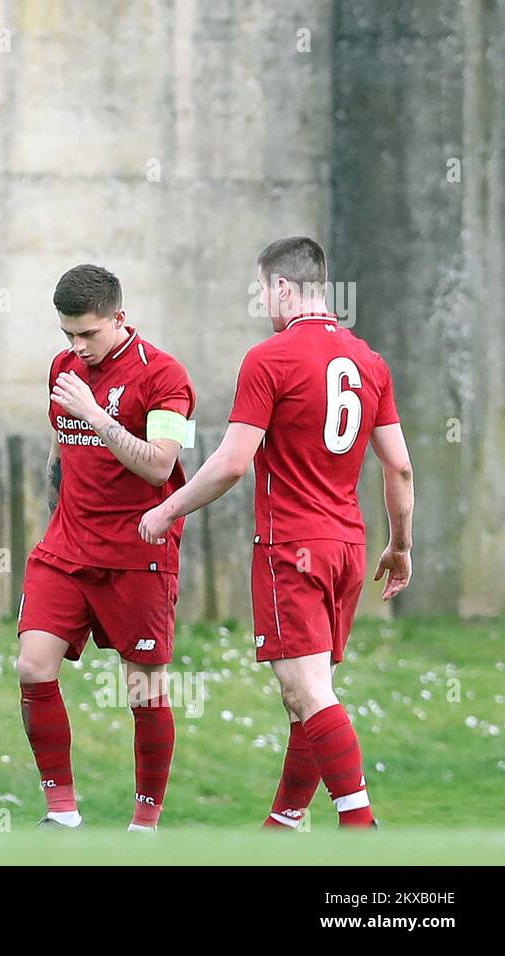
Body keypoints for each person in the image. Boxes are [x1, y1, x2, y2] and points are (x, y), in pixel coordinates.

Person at [139, 237, 414, 828]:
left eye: (263, 290)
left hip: (292, 545)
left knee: (308, 692)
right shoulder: (369, 361)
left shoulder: (270, 359)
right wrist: (400, 544)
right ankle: (282, 827)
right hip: (348, 546)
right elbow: (399, 467)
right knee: (307, 697)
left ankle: (359, 826)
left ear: (283, 288)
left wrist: (168, 511)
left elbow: (233, 463)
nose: (264, 302)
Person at [16, 264, 196, 831]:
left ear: (120, 317)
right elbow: (59, 451)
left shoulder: (165, 376)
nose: (77, 346)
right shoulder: (63, 368)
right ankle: (61, 813)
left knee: (143, 690)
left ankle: (144, 825)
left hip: (137, 554)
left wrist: (94, 414)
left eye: (88, 333)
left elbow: (160, 465)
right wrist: (55, 523)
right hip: (66, 549)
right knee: (32, 667)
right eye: (67, 334)